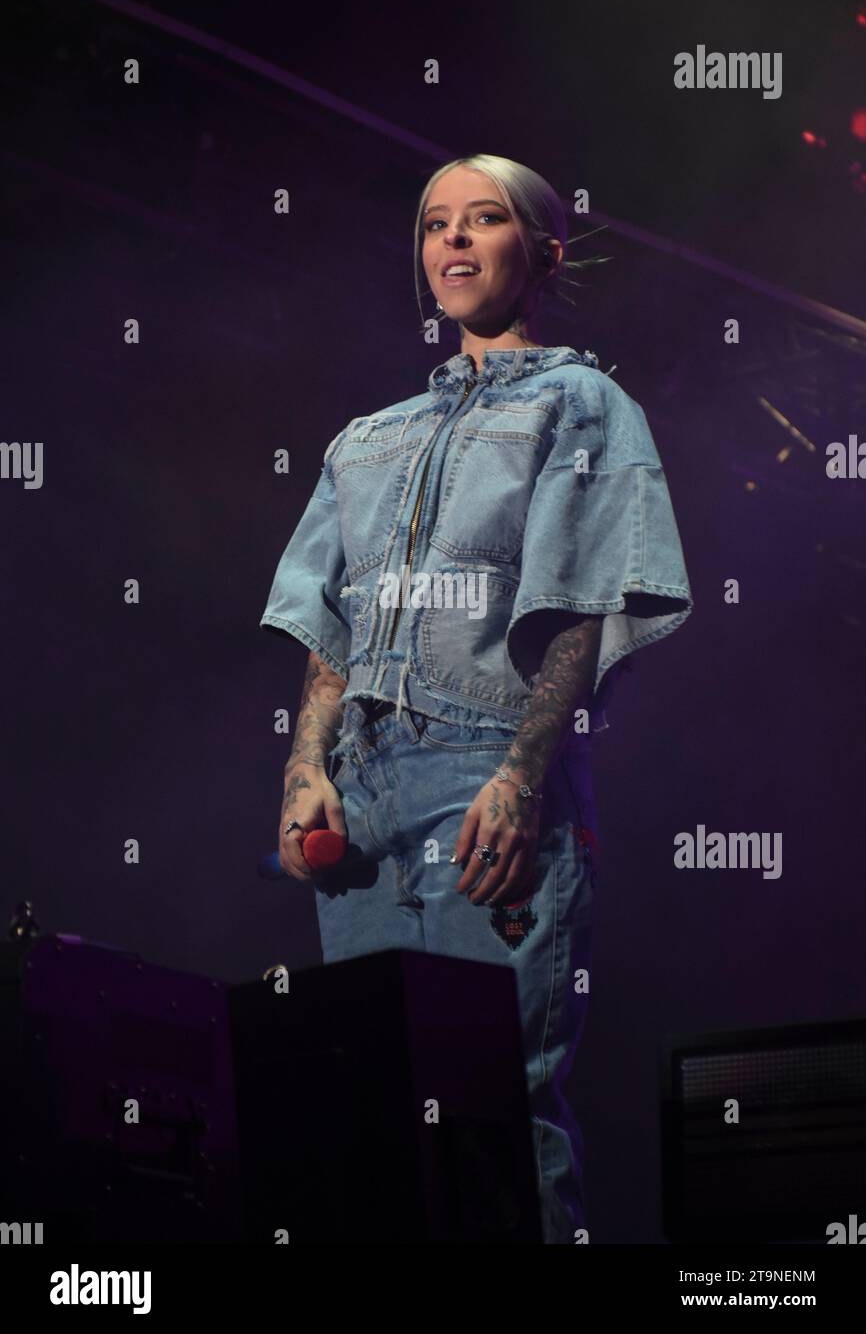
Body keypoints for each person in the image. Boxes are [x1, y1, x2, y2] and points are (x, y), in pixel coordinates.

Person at [260, 153, 693, 1243]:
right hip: (360, 801)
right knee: (371, 1117)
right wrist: (305, 765)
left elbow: (588, 603)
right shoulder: (367, 436)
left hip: (484, 773)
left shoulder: (582, 400)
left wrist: (519, 775)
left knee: (495, 1103)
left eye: (482, 220)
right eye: (434, 225)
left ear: (540, 252)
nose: (451, 241)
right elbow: (331, 627)